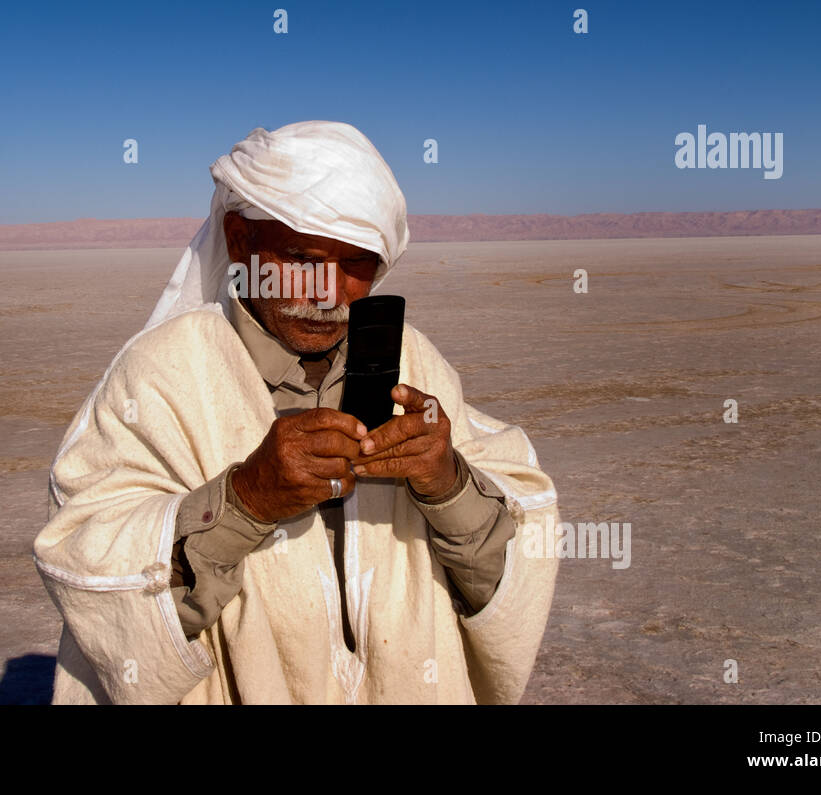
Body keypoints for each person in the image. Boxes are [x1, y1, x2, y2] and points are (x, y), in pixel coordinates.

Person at [33, 120, 559, 704]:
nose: (327, 292)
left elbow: (508, 567)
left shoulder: (417, 365)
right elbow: (93, 580)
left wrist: (447, 484)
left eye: (356, 262)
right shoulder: (161, 375)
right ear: (239, 240)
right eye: (302, 257)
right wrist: (244, 501)